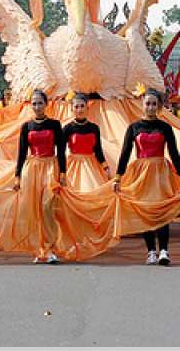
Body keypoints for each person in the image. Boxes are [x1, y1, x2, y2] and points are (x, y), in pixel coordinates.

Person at [115, 88, 180, 266]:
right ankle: (150, 251)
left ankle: (164, 250)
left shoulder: (165, 127)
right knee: (146, 212)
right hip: (141, 174)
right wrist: (118, 177)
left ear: (159, 106)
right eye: (147, 103)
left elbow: (174, 153)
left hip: (160, 173)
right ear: (142, 105)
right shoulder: (134, 127)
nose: (150, 107)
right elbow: (125, 154)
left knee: (161, 210)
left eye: (154, 104)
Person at [12, 89, 67, 264]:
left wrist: (63, 173)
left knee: (47, 207)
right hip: (32, 168)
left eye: (40, 103)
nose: (37, 106)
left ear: (46, 104)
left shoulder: (55, 125)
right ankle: (39, 249)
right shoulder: (26, 127)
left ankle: (51, 248)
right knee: (34, 209)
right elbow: (21, 152)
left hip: (51, 166)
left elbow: (61, 151)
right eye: (34, 103)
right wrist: (17, 176)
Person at [63, 92, 111, 192]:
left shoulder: (94, 128)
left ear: (87, 108)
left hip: (91, 165)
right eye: (76, 107)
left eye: (82, 106)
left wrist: (105, 167)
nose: (79, 110)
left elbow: (98, 150)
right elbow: (61, 150)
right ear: (72, 109)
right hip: (73, 166)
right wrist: (61, 171)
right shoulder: (67, 128)